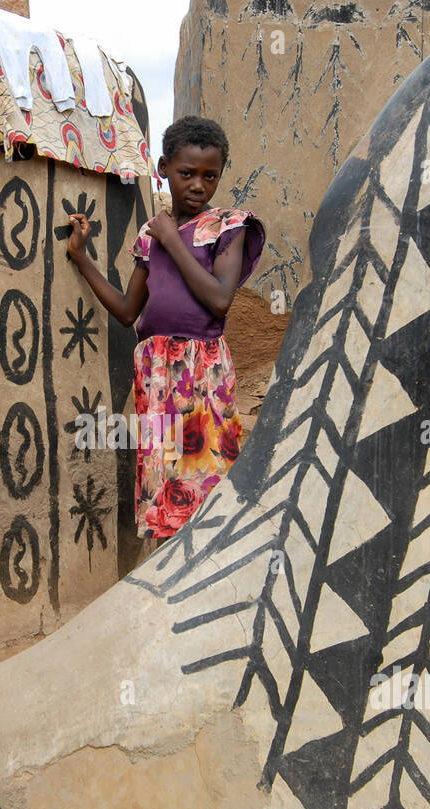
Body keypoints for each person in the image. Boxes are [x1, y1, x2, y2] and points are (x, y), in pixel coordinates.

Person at [66, 115, 264, 541]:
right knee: (166, 483)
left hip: (201, 369)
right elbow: (125, 310)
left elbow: (219, 299)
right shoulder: (149, 236)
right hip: (156, 372)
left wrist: (172, 239)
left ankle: (214, 577)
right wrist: (82, 258)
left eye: (210, 176)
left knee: (208, 475)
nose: (198, 185)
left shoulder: (228, 226)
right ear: (163, 169)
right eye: (186, 173)